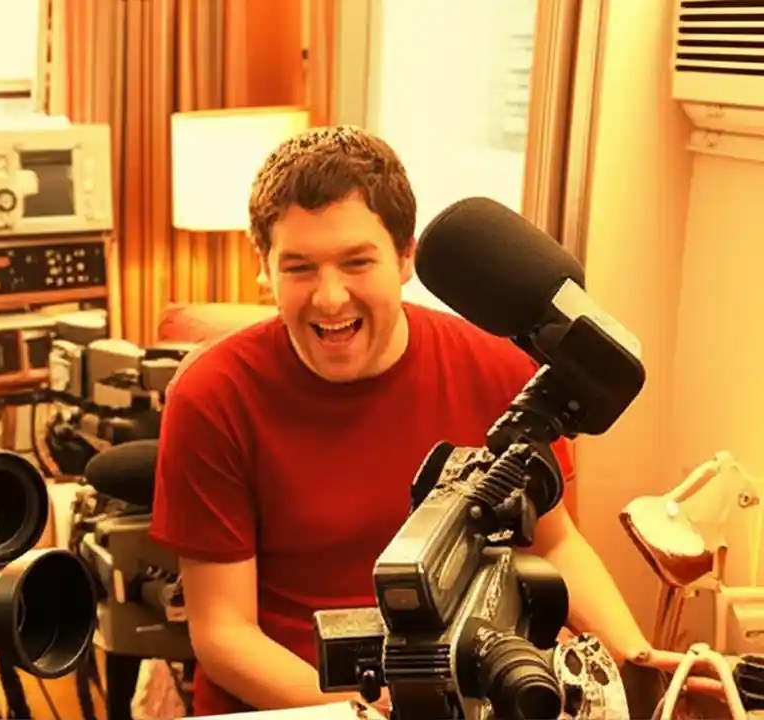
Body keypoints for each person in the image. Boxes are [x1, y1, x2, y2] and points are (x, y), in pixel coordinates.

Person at [149, 125, 707, 716]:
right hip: (296, 704)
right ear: (263, 266)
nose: (330, 297)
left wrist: (633, 663)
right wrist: (378, 711)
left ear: (406, 256)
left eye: (357, 262)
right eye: (300, 268)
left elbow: (556, 541)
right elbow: (224, 634)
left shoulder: (497, 367)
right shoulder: (212, 395)